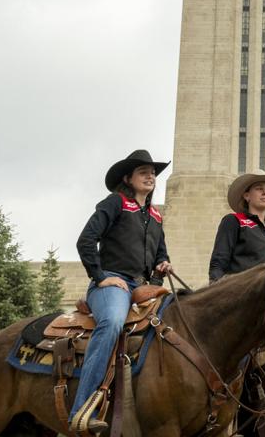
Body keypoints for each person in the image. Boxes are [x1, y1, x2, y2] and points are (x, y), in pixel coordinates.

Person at [71, 149, 173, 434]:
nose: (150, 176)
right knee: (112, 322)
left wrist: (162, 267)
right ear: (128, 178)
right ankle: (83, 407)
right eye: (143, 172)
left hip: (142, 287)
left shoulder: (155, 215)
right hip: (113, 282)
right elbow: (86, 240)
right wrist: (100, 277)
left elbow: (159, 256)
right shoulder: (116, 203)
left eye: (152, 172)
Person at [208, 169, 265, 282]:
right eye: (259, 189)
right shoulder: (234, 221)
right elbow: (218, 263)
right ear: (247, 196)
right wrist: (216, 290)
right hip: (239, 293)